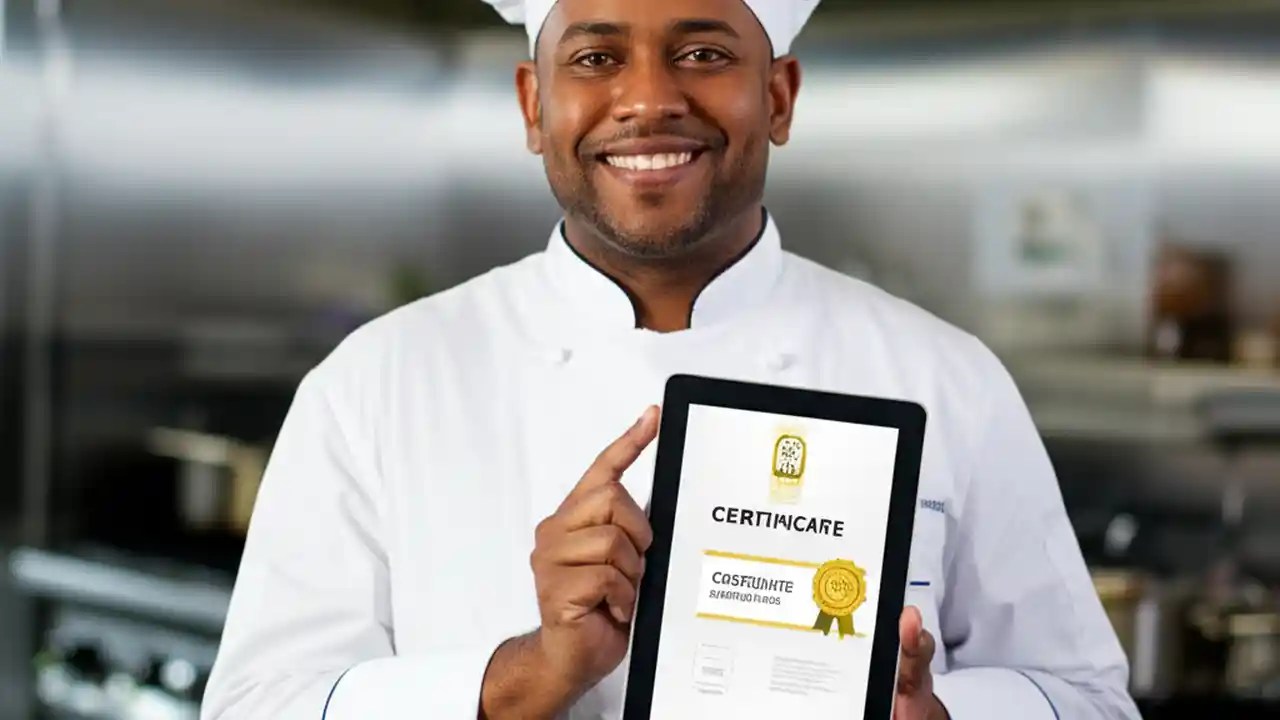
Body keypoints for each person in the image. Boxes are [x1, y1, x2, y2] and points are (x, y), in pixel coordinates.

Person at [200, 0, 1141, 718]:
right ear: (535, 105)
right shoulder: (378, 382)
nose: (648, 100)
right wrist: (526, 675)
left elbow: (1090, 699)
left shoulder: (946, 378)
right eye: (597, 57)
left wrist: (940, 713)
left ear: (777, 97)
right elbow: (254, 704)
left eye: (702, 53)